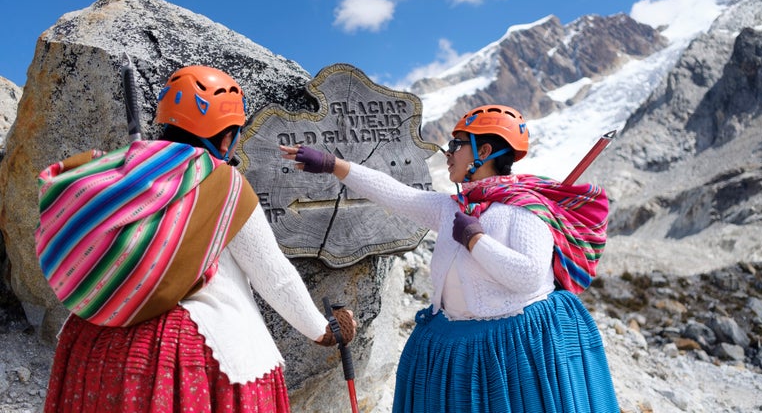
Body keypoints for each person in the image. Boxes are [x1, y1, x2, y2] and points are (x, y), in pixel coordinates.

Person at [35, 65, 356, 412]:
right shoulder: (223, 184)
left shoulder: (122, 173)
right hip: (185, 356)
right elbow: (274, 277)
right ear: (224, 136)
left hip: (94, 344)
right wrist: (323, 331)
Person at [281, 104, 619, 413]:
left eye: (457, 144)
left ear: (484, 152)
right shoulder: (453, 208)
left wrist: (476, 240)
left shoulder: (527, 208)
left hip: (515, 350)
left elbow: (529, 276)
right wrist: (334, 165)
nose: (448, 152)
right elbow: (398, 195)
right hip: (459, 344)